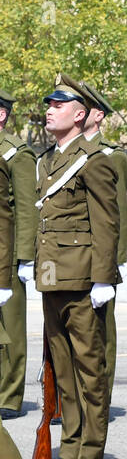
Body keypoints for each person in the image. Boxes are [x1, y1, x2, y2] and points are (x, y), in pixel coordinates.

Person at [31, 74, 120, 459]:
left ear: (79, 114)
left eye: (57, 106)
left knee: (89, 367)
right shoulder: (46, 159)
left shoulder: (94, 160)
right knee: (62, 369)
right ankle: (69, 445)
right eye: (48, 105)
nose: (49, 111)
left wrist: (103, 278)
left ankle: (91, 452)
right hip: (52, 279)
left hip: (83, 279)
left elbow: (106, 223)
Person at [80, 83, 127, 398]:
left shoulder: (112, 156)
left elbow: (119, 213)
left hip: (102, 256)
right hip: (68, 258)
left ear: (98, 115)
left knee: (101, 331)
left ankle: (101, 395)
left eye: (83, 105)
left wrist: (118, 260)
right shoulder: (61, 154)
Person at [0, 89, 35, 420]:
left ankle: (9, 397)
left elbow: (26, 207)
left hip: (7, 252)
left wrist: (26, 257)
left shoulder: (16, 154)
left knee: (9, 328)